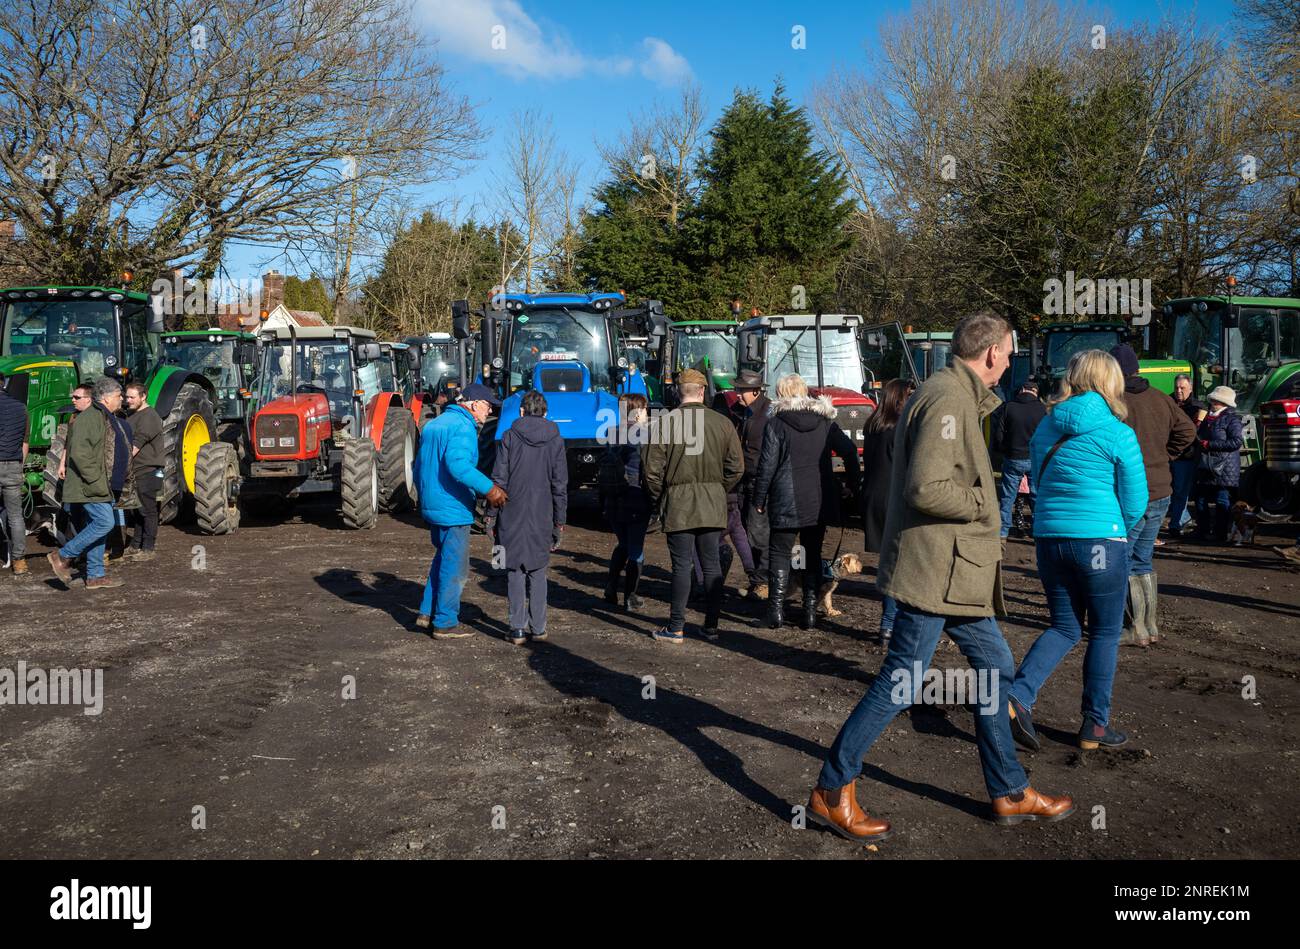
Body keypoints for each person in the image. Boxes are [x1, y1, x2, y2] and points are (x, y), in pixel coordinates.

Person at [810, 312, 1073, 841]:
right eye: (1010, 352)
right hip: (938, 571)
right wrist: (984, 503)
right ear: (994, 352)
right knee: (901, 682)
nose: (1010, 361)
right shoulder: (949, 398)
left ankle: (1009, 790)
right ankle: (832, 790)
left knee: (996, 669)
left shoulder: (949, 393)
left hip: (955, 575)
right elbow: (926, 488)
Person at [1007, 350, 1147, 754]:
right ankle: (1095, 725)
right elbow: (1136, 500)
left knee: (1064, 627)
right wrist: (1112, 525)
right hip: (1101, 541)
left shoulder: (1046, 426)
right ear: (1112, 380)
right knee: (1104, 632)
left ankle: (1017, 697)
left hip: (1050, 539)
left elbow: (1035, 482)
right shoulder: (1118, 431)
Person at [641, 368, 744, 645]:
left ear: (678, 392)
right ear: (702, 392)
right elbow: (737, 467)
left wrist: (660, 498)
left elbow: (651, 471)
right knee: (711, 566)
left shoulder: (665, 423)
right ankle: (711, 626)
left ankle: (676, 627)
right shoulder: (723, 423)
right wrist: (716, 488)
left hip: (678, 504)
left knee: (682, 566)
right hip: (712, 504)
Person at [752, 373, 859, 631]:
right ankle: (809, 613)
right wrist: (851, 485)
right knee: (812, 554)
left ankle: (775, 612)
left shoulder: (776, 424)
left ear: (782, 395)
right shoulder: (825, 422)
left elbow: (767, 465)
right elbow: (850, 450)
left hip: (785, 497)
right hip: (818, 498)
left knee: (779, 553)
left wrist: (759, 497)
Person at [1109, 345, 1195, 648]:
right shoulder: (1161, 398)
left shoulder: (1115, 403)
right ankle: (1148, 626)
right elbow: (1188, 431)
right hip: (1161, 489)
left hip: (1131, 491)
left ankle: (1133, 627)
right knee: (1142, 560)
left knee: (1121, 561)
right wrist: (1165, 455)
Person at [412, 383, 508, 637]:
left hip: (433, 505)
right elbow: (459, 467)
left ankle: (427, 612)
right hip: (452, 508)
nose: (489, 412)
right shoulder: (463, 428)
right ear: (475, 404)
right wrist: (491, 490)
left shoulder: (435, 424)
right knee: (455, 566)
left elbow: (417, 467)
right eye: (488, 406)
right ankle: (445, 623)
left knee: (442, 559)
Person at [491, 390, 567, 645]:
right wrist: (560, 521)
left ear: (522, 411)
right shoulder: (556, 439)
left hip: (510, 511)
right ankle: (539, 628)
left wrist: (490, 516)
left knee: (513, 570)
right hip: (542, 512)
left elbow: (499, 480)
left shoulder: (509, 437)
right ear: (545, 413)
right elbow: (560, 485)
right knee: (538, 570)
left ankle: (516, 629)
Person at [47, 377, 126, 590]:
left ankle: (95, 575)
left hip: (99, 483)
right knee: (104, 523)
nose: (122, 400)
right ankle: (63, 556)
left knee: (97, 527)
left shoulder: (102, 416)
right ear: (108, 397)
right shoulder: (90, 418)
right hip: (90, 485)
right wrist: (96, 480)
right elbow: (81, 455)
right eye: (119, 396)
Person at [860, 378, 912, 643]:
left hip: (873, 496)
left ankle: (890, 622)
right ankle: (890, 624)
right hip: (895, 499)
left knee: (887, 563)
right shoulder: (902, 428)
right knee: (899, 567)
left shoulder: (873, 425)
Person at [599, 393, 651, 611]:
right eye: (646, 409)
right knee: (636, 550)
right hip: (636, 499)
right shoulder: (644, 435)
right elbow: (650, 470)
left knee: (623, 544)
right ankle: (631, 596)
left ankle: (611, 587)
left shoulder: (611, 434)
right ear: (637, 411)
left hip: (612, 500)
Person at [726, 370, 771, 599]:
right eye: (736, 390)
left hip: (759, 480)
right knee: (745, 529)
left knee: (759, 532)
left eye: (741, 390)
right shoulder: (738, 412)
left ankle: (763, 583)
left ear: (756, 390)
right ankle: (757, 580)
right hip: (741, 481)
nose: (737, 395)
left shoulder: (769, 413)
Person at [990, 379, 1046, 540]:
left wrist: (1005, 450)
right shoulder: (1042, 409)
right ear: (1036, 392)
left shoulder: (1009, 407)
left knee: (1008, 497)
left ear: (1022, 389)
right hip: (1034, 458)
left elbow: (999, 435)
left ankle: (1003, 531)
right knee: (1036, 496)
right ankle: (1038, 531)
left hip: (1013, 457)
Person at [1192, 386, 1243, 544]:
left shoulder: (1232, 419)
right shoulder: (1207, 417)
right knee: (1200, 499)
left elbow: (1236, 442)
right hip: (1207, 465)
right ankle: (1202, 530)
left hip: (1224, 467)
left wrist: (1211, 444)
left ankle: (1220, 533)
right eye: (1212, 399)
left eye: (1216, 400)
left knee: (1222, 500)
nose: (1212, 402)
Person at [124, 382, 165, 561]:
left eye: (132, 397)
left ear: (143, 396)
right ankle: (136, 544)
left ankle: (148, 548)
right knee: (137, 508)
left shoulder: (149, 416)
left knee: (147, 509)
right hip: (136, 470)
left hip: (148, 469)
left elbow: (136, 445)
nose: (128, 400)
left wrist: (121, 464)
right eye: (127, 397)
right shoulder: (133, 414)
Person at [1167, 374, 1206, 538]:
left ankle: (1176, 524)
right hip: (1167, 454)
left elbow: (1195, 433)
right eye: (1176, 387)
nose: (1178, 390)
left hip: (1186, 455)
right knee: (1165, 491)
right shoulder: (1167, 401)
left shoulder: (1199, 408)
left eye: (1182, 388)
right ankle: (1183, 518)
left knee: (1180, 491)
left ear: (1190, 388)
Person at [0, 371, 29, 576]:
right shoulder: (21, 408)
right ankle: (19, 561)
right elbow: (25, 442)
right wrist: (20, 465)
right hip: (13, 464)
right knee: (15, 516)